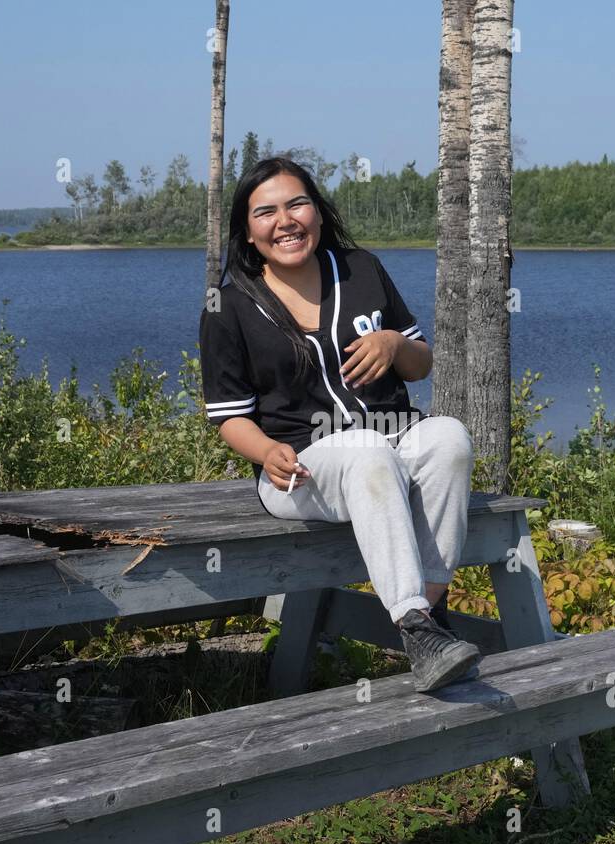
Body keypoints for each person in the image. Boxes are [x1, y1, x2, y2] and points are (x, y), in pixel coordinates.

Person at [198, 157, 481, 692]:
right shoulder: (228, 306)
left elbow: (421, 364)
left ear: (319, 214)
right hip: (302, 471)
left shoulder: (361, 269)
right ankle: (415, 626)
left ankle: (426, 621)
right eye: (266, 212)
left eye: (297, 204)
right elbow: (229, 418)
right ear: (249, 233)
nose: (285, 220)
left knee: (449, 438)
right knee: (365, 447)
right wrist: (265, 453)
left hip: (394, 441)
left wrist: (395, 344)